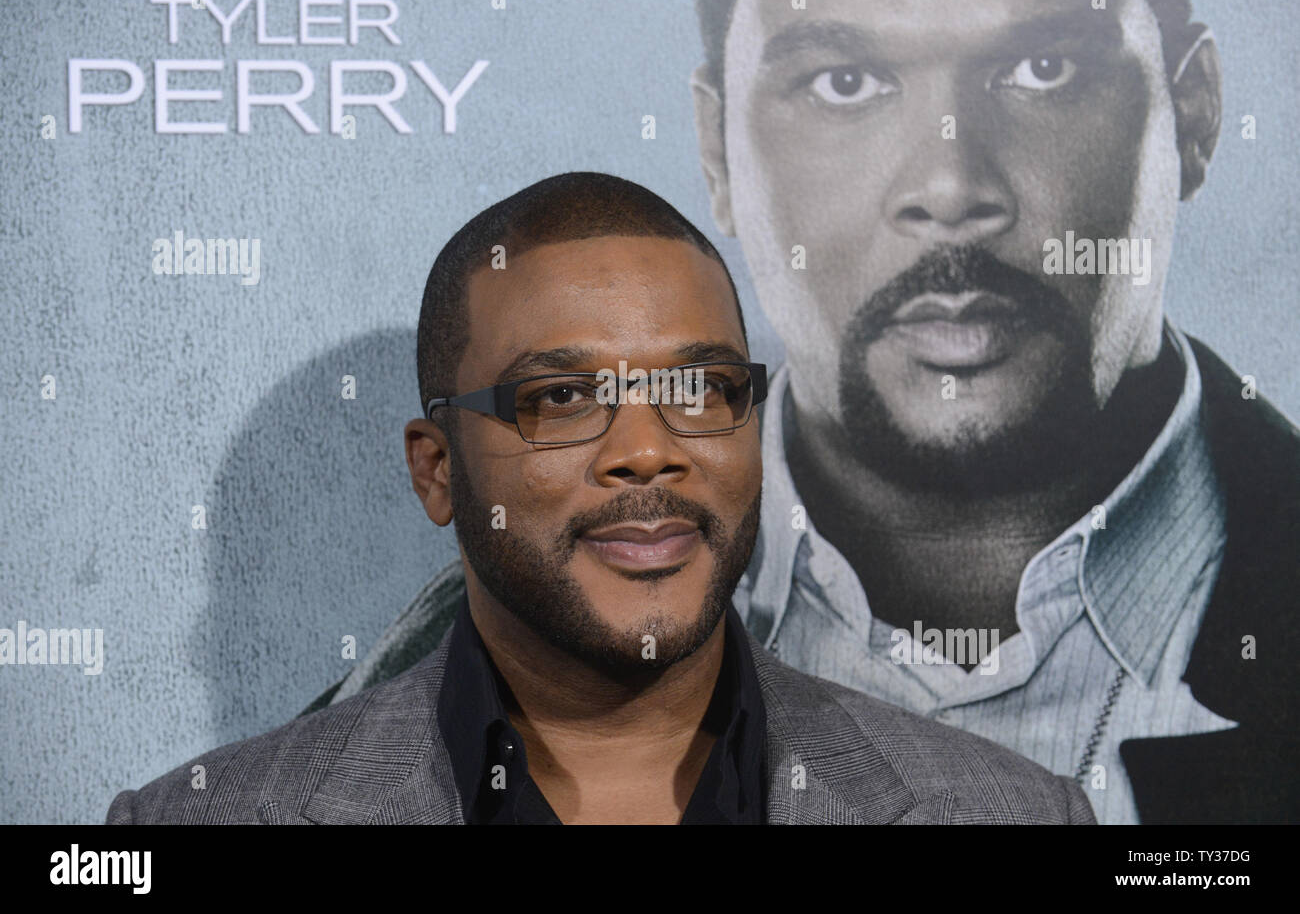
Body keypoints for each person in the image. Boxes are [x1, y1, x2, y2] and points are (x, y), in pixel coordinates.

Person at [107, 173, 1094, 824]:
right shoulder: (197, 822)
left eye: (699, 387)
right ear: (436, 469)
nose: (646, 452)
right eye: (562, 398)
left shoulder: (1008, 812)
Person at [684, 0, 1298, 822]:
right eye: (846, 82)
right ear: (717, 152)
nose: (951, 187)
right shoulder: (477, 685)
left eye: (1044, 70)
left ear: (1193, 114)